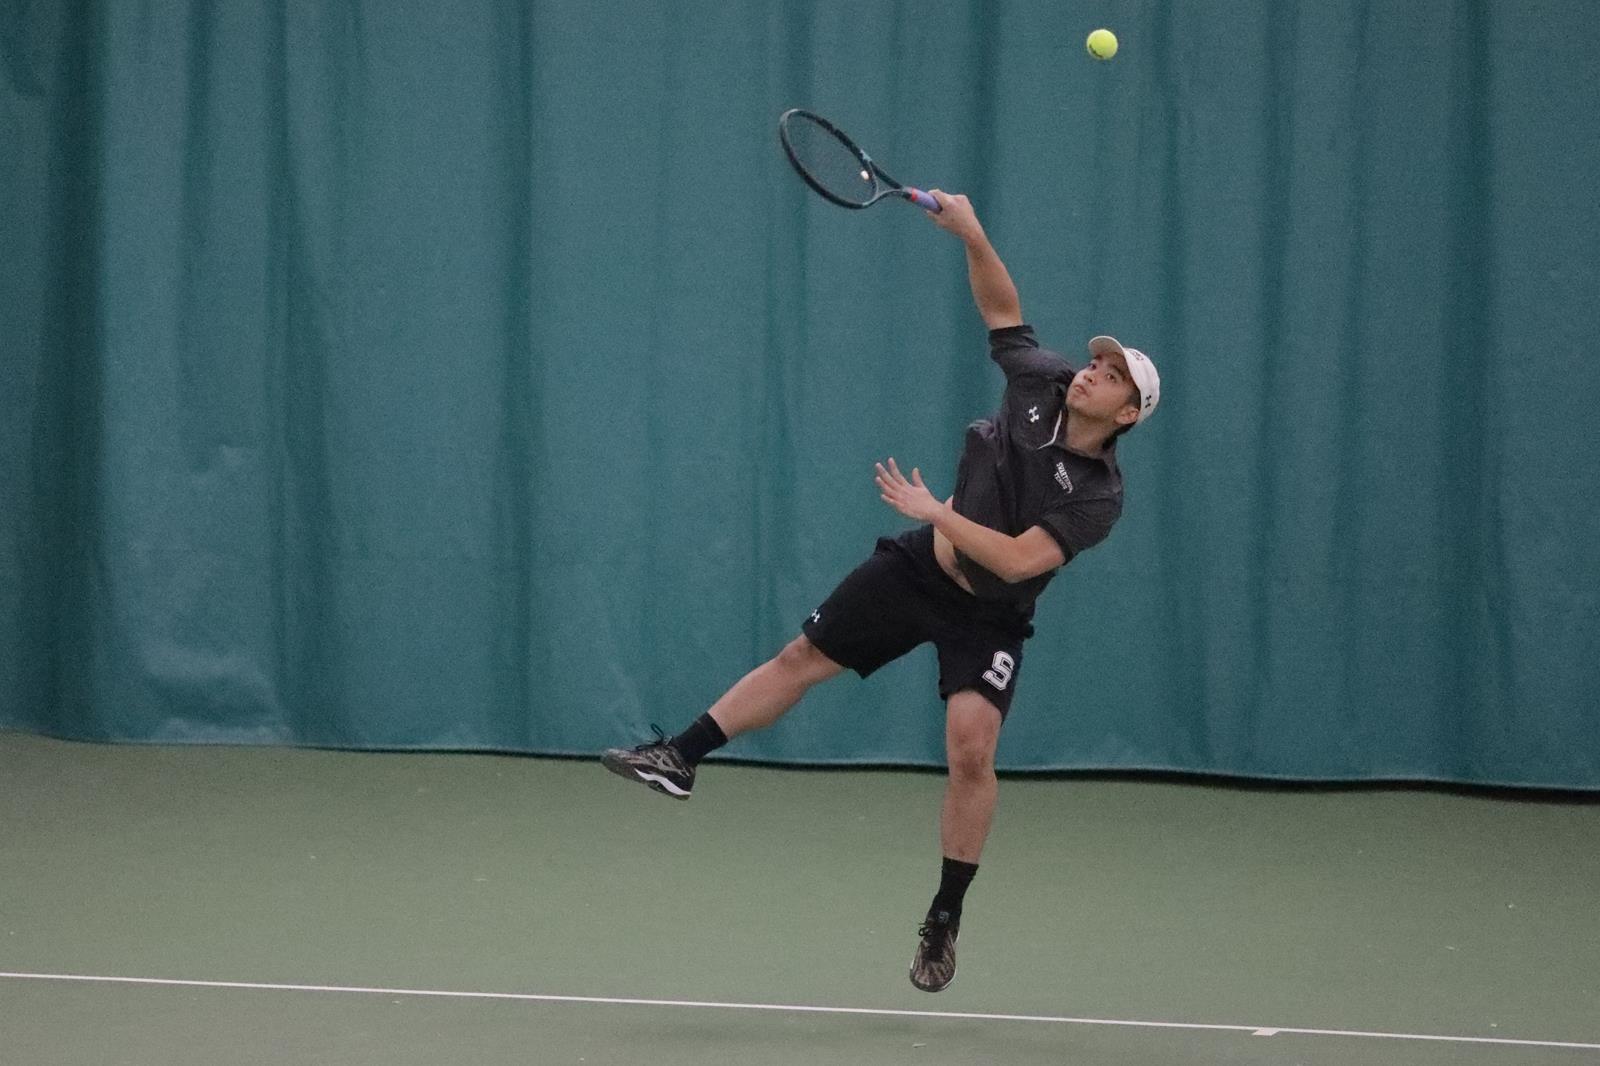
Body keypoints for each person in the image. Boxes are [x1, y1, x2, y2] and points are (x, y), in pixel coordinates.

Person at [601, 189, 1161, 993]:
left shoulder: (1100, 496)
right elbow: (1003, 309)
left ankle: (944, 917)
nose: (1091, 374)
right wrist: (971, 232)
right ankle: (679, 757)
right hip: (916, 570)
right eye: (1095, 363)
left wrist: (938, 508)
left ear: (1129, 414)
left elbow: (1012, 562)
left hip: (990, 614)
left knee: (971, 751)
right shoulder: (1042, 380)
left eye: (1110, 378)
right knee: (801, 654)